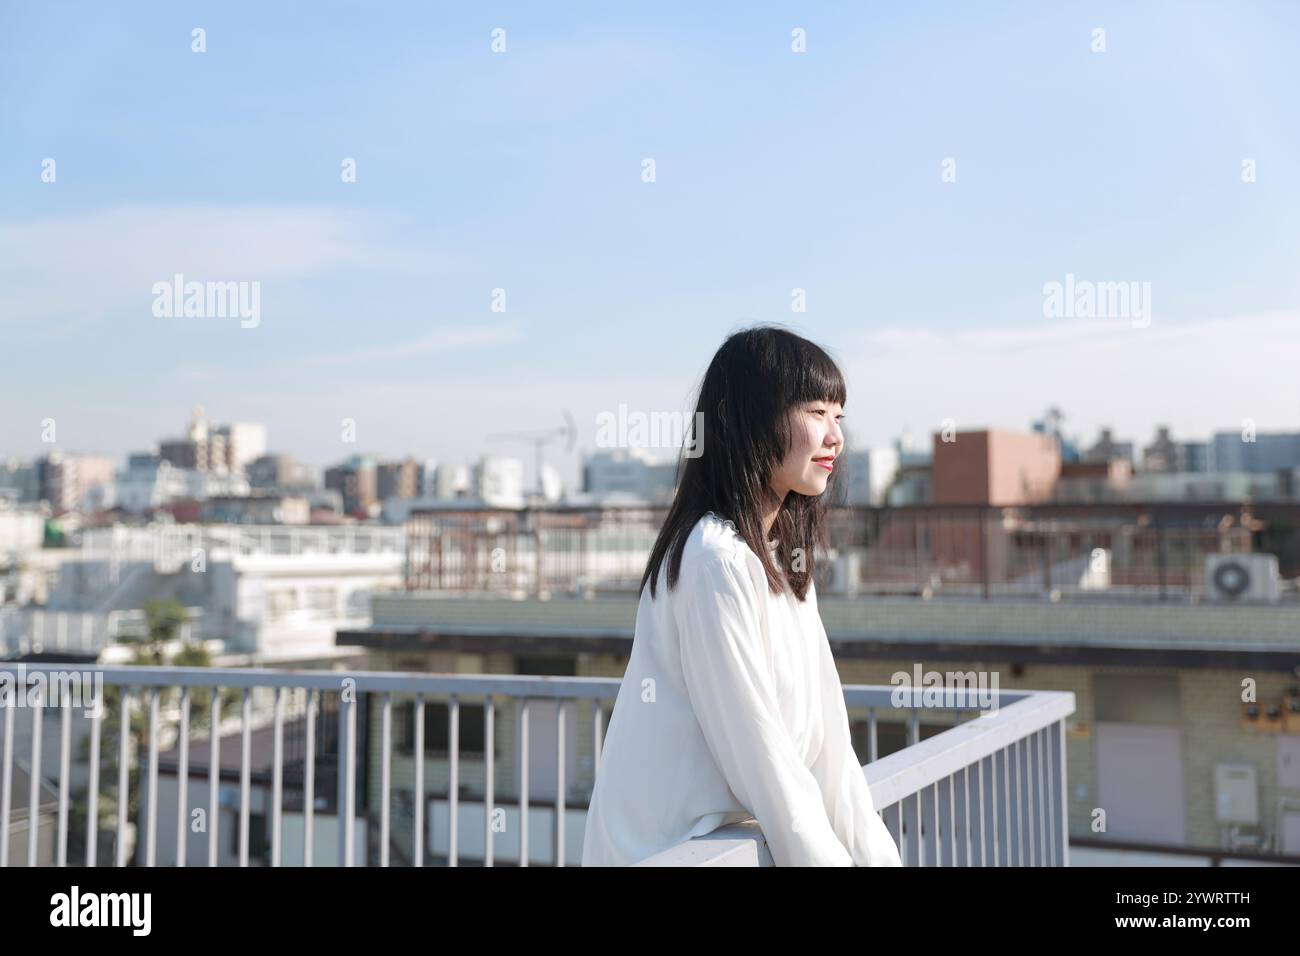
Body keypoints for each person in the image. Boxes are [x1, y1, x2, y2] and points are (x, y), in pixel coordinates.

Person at [581, 325, 904, 867]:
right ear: (753, 419)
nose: (836, 438)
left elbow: (831, 753)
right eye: (816, 412)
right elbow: (762, 758)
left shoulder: (780, 562)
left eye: (838, 416)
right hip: (669, 853)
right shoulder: (715, 560)